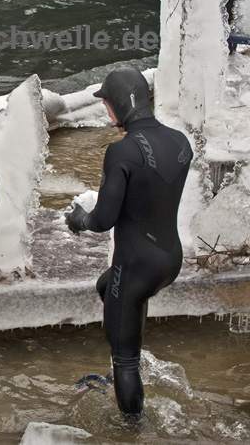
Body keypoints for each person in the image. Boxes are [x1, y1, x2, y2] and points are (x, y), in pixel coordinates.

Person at [65, 66, 193, 418]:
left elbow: (102, 220)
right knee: (107, 288)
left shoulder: (121, 152)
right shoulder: (180, 141)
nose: (107, 112)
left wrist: (78, 219)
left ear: (119, 104)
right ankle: (124, 368)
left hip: (136, 262)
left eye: (107, 104)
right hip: (169, 258)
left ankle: (132, 429)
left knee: (125, 358)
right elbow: (151, 193)